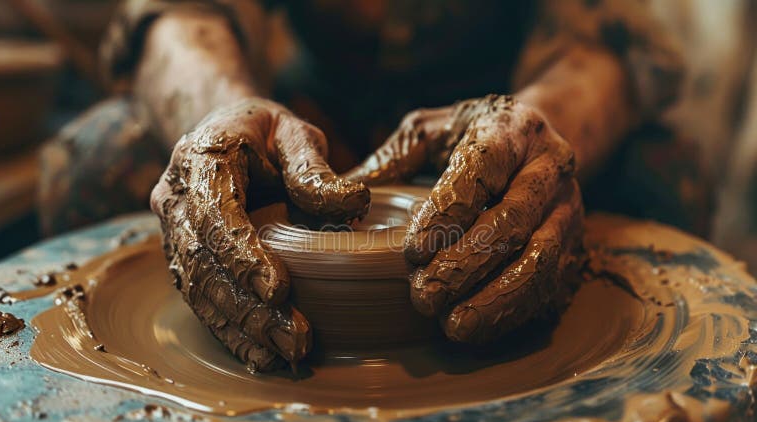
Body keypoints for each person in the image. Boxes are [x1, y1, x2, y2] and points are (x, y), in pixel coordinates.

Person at [37, 0, 690, 372]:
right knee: (101, 160)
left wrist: (541, 131)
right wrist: (219, 109)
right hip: (311, 113)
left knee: (664, 178)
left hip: (494, 111)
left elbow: (604, 39)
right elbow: (179, 15)